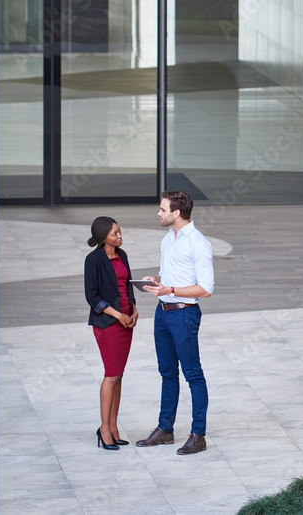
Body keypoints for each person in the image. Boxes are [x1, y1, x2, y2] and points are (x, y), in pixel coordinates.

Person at [136, 190, 214, 454]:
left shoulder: (198, 243)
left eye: (162, 209)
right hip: (163, 313)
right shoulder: (168, 240)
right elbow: (171, 277)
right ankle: (165, 430)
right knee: (167, 372)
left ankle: (198, 435)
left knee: (193, 374)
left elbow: (205, 289)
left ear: (176, 213)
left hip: (184, 314)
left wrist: (171, 289)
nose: (159, 213)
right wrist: (157, 282)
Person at [83, 216, 138, 451]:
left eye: (120, 231)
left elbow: (127, 284)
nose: (119, 235)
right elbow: (92, 297)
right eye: (115, 233)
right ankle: (104, 429)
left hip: (127, 322)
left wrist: (134, 309)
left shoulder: (122, 255)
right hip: (108, 324)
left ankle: (114, 427)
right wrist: (119, 315)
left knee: (119, 375)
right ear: (103, 236)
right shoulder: (93, 260)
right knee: (111, 375)